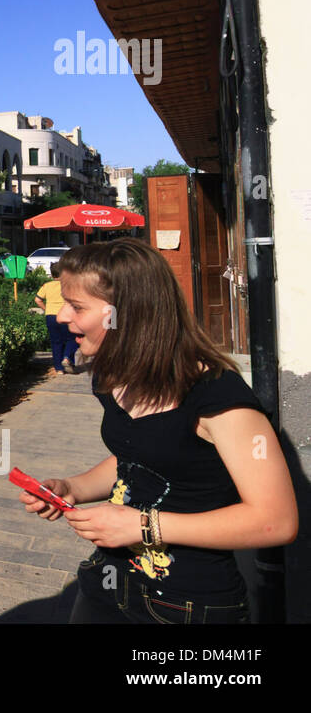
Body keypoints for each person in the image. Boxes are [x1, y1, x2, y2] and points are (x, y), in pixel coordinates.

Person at [19, 238, 297, 623]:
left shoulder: (219, 396)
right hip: (107, 584)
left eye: (77, 306)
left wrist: (142, 526)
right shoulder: (115, 376)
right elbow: (139, 455)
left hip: (188, 606)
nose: (63, 317)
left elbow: (276, 520)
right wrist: (73, 488)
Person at [34, 262, 79, 374]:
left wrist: (46, 309)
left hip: (51, 317)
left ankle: (59, 369)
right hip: (66, 316)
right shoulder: (68, 285)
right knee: (72, 338)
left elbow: (37, 300)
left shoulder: (46, 285)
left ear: (52, 274)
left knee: (56, 342)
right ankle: (67, 358)